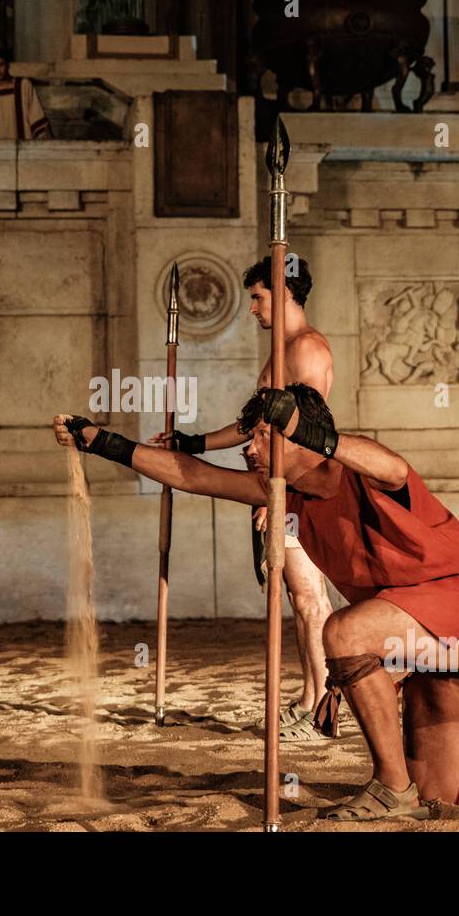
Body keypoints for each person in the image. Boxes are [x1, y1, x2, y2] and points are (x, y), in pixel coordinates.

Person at [51, 387, 459, 821]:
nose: (248, 449)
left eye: (260, 437)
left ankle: (389, 789)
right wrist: (104, 442)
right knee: (445, 790)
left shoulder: (358, 466)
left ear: (297, 438)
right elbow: (195, 476)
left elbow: (391, 464)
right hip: (419, 625)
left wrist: (308, 428)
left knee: (342, 633)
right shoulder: (286, 493)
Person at [149, 257, 335, 740]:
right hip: (274, 486)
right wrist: (192, 443)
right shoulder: (281, 350)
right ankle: (309, 698)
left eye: (258, 297)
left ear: (284, 291)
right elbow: (255, 425)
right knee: (298, 596)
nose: (252, 309)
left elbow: (309, 432)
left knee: (310, 597)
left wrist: (280, 495)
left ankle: (324, 714)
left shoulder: (307, 349)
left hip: (295, 489)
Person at [0, 48, 51, 140]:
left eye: (1, 65)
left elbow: (36, 116)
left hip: (23, 146)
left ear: (7, 65)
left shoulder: (24, 85)